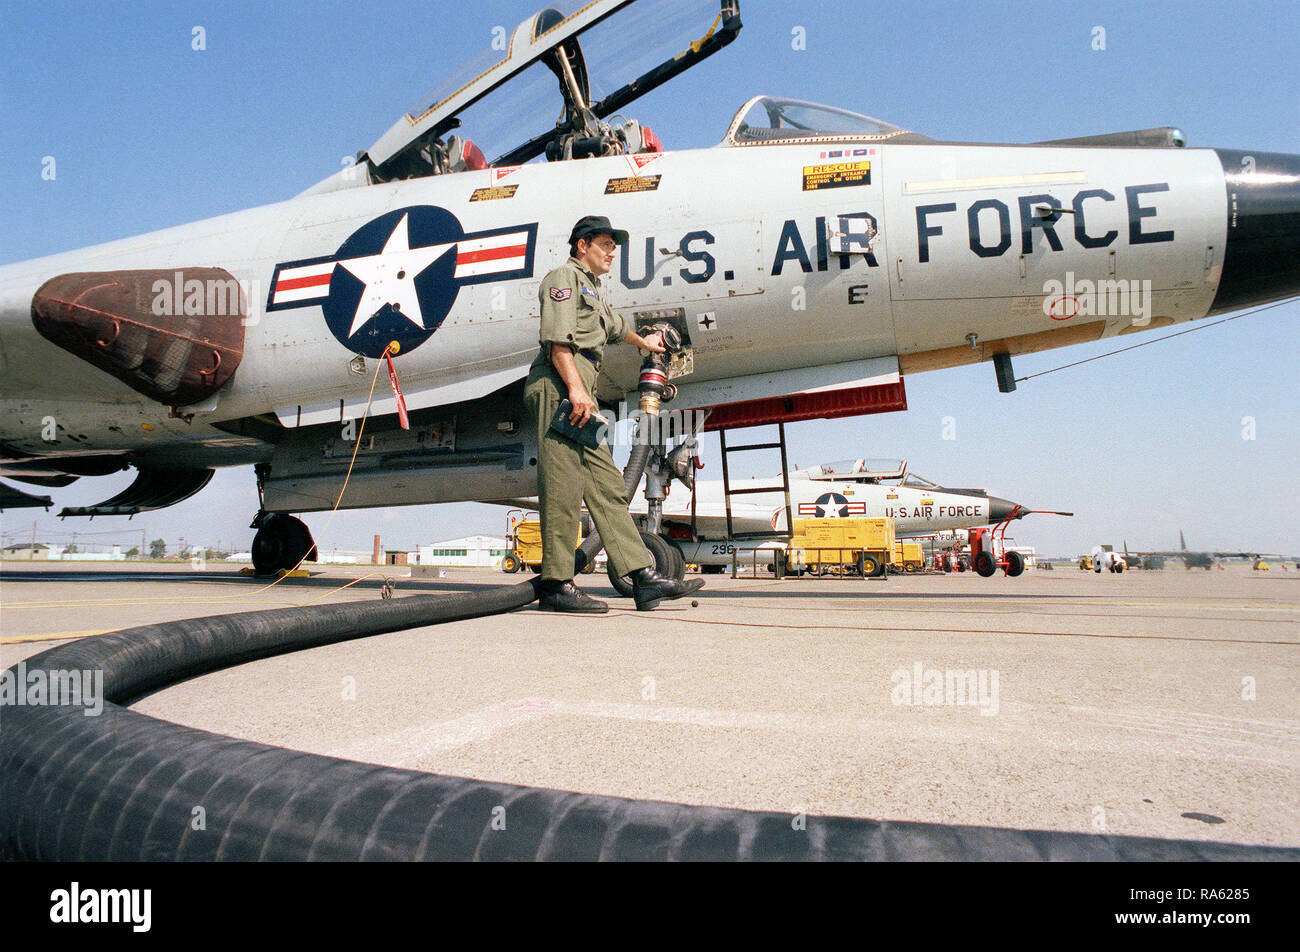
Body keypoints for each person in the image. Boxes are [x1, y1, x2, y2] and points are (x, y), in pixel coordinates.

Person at [524, 215, 705, 613]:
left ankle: (642, 578)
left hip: (579, 394)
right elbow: (557, 342)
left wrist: (647, 342)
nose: (612, 252)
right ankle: (555, 584)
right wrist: (574, 389)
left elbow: (616, 327)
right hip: (559, 388)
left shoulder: (592, 290)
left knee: (608, 487)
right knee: (563, 485)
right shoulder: (562, 279)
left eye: (613, 245)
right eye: (605, 244)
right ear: (581, 246)